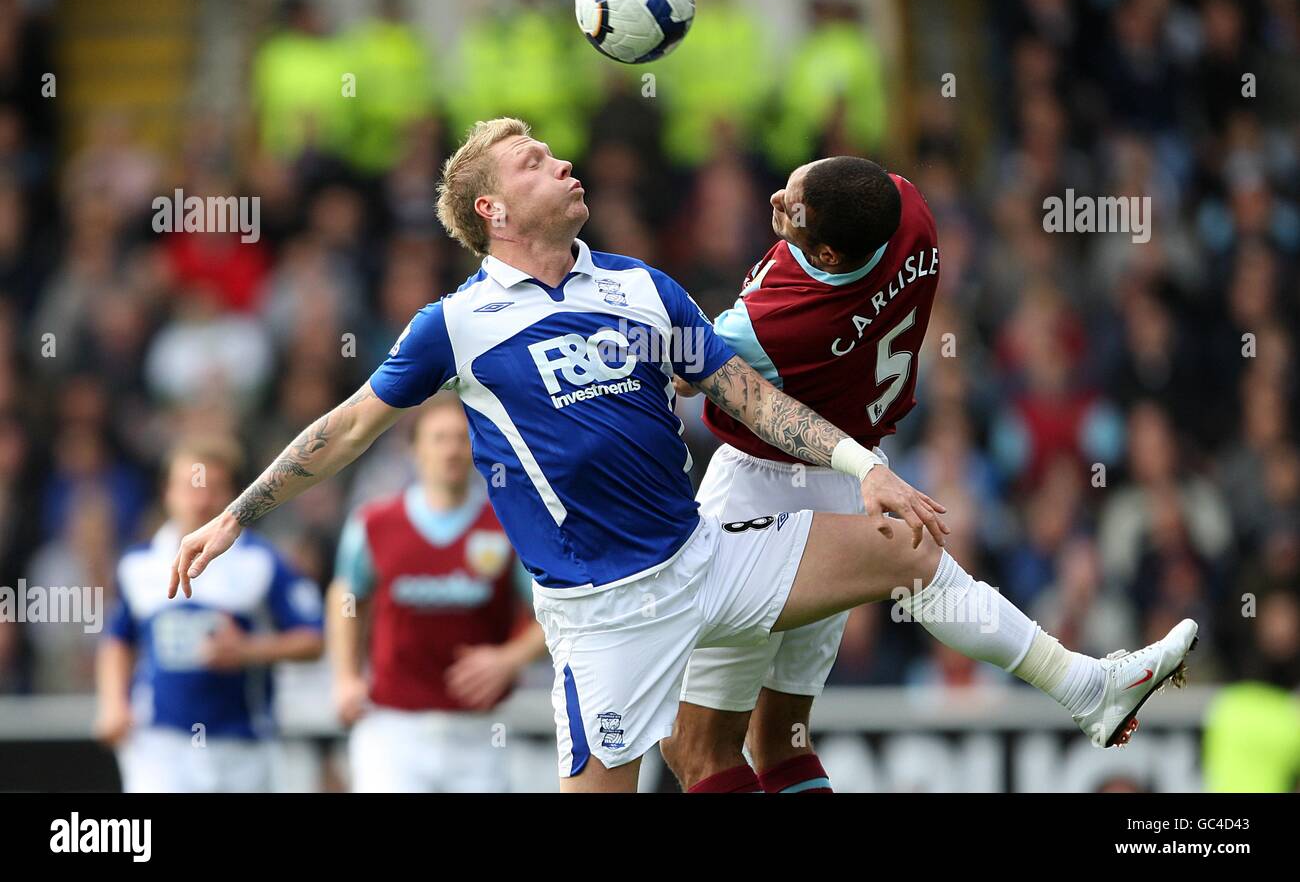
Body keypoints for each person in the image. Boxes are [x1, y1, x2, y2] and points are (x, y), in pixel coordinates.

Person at [169, 117, 1198, 793]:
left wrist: (861, 467)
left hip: (704, 558)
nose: (560, 161)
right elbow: (345, 426)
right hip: (603, 615)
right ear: (490, 208)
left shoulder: (637, 286)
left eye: (553, 151)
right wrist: (236, 514)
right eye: (532, 160)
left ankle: (1086, 690)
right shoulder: (457, 326)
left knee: (907, 546)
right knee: (705, 760)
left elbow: (742, 394)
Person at [661, 156, 937, 793]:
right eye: (791, 184)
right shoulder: (909, 212)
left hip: (760, 482)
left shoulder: (770, 320)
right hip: (850, 484)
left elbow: (688, 370)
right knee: (782, 736)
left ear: (831, 255)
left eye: (794, 212)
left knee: (696, 747)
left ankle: (1075, 681)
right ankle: (1073, 677)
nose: (776, 205)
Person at [327, 393, 545, 792]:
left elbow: (551, 614)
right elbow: (346, 598)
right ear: (415, 450)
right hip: (391, 729)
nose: (451, 450)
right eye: (439, 438)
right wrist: (344, 676)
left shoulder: (506, 527)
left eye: (462, 439)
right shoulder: (374, 523)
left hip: (479, 732)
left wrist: (510, 659)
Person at [96, 437, 323, 792]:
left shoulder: (261, 561)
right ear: (167, 492)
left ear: (234, 495)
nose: (201, 500)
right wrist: (113, 704)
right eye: (190, 487)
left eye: (214, 489)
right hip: (159, 746)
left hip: (241, 746)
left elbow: (313, 638)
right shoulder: (137, 565)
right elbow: (117, 641)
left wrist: (249, 651)